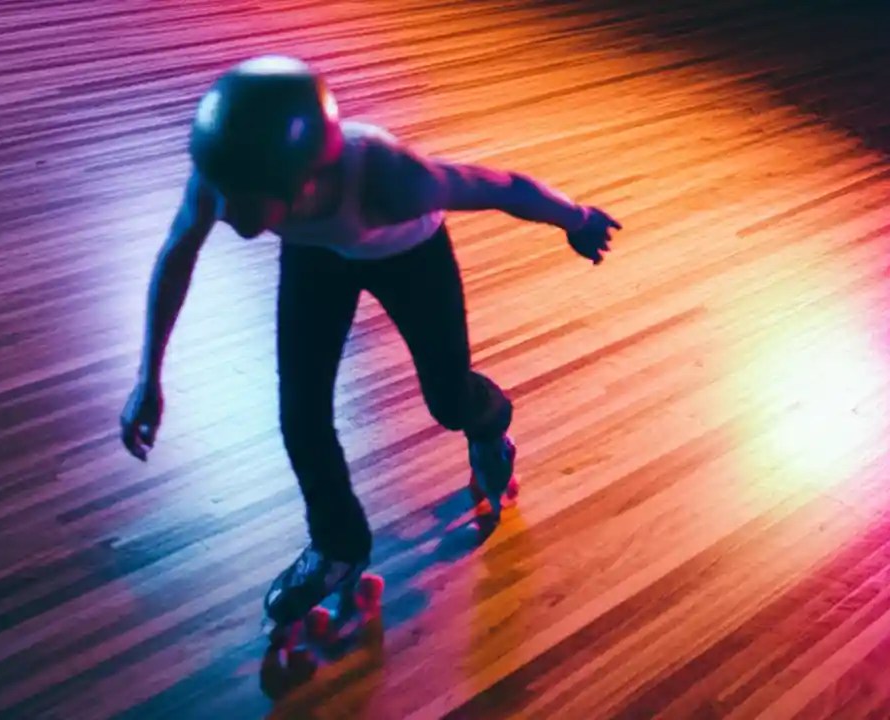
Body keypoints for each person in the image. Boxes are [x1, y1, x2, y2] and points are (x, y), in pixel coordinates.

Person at [119, 55, 620, 626]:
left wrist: (578, 219)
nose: (223, 210)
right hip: (317, 255)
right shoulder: (226, 174)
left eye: (243, 198)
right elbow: (177, 256)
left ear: (303, 180)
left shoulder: (393, 180)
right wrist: (148, 378)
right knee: (300, 415)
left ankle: (488, 426)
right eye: (222, 190)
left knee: (447, 397)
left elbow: (501, 187)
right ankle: (338, 547)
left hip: (409, 255)